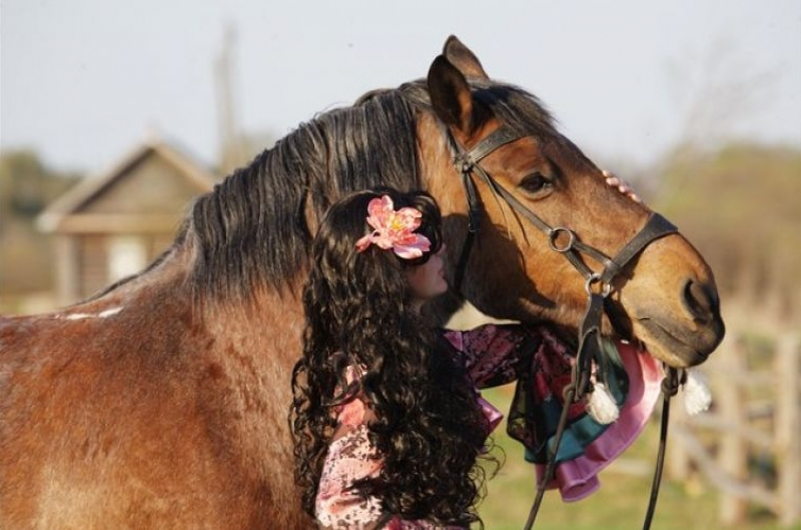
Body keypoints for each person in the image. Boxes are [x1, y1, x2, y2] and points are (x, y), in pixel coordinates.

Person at [290, 188, 663, 529]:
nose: (441, 253)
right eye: (426, 245)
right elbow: (336, 505)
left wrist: (618, 225)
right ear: (388, 268)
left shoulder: (444, 353)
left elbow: (534, 342)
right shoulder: (369, 375)